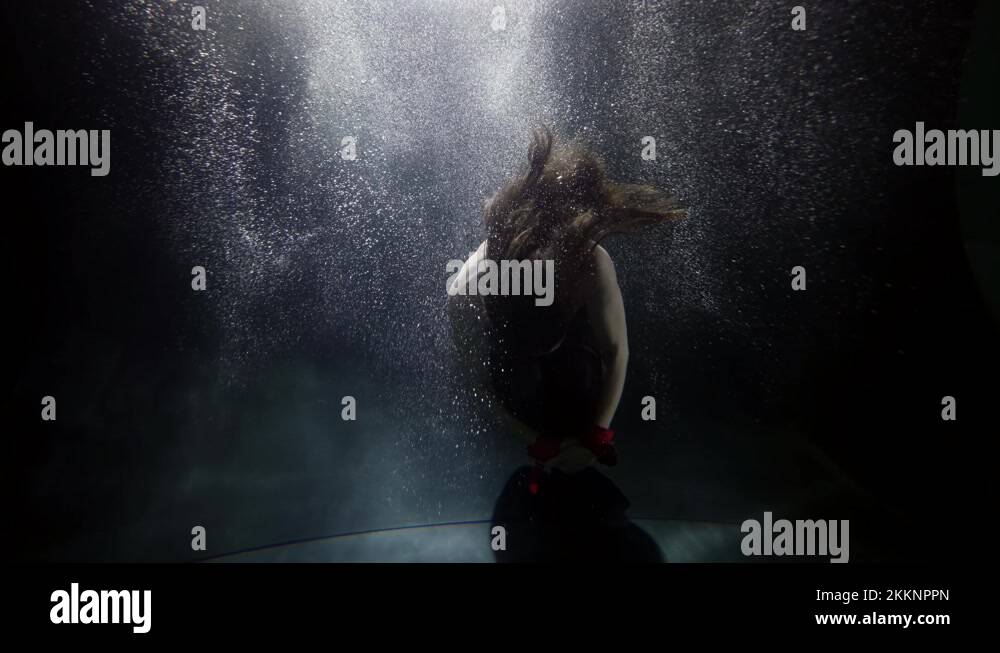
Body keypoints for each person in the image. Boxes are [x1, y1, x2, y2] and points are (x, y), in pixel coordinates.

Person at [448, 126, 684, 483]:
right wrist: (539, 442)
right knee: (517, 380)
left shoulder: (589, 265)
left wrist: (596, 435)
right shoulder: (466, 291)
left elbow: (617, 350)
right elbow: (478, 385)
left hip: (568, 326)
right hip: (515, 351)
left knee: (580, 375)